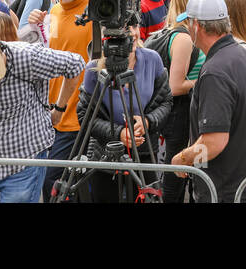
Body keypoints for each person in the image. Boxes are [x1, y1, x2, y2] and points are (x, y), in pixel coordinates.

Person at [0, 32, 85, 203]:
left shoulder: (28, 56)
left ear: (1, 50)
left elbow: (75, 64)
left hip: (24, 162)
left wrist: (59, 109)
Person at [170, 0, 246, 203]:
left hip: (224, 188)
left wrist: (182, 159)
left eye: (188, 24)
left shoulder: (216, 70)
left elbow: (214, 142)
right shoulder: (240, 54)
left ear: (197, 26)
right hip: (242, 181)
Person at [74, 27, 172, 202]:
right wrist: (118, 133)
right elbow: (84, 115)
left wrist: (148, 121)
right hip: (104, 156)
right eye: (125, 29)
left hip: (144, 153)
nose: (132, 33)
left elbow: (165, 102)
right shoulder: (94, 68)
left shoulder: (152, 59)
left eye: (134, 26)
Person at [42, 0, 91, 200]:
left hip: (80, 112)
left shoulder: (95, 11)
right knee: (50, 182)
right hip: (54, 111)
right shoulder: (55, 11)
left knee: (56, 180)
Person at [156, 0, 208, 204]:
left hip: (185, 114)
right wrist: (205, 80)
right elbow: (175, 86)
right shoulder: (183, 37)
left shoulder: (174, 29)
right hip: (180, 116)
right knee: (176, 174)